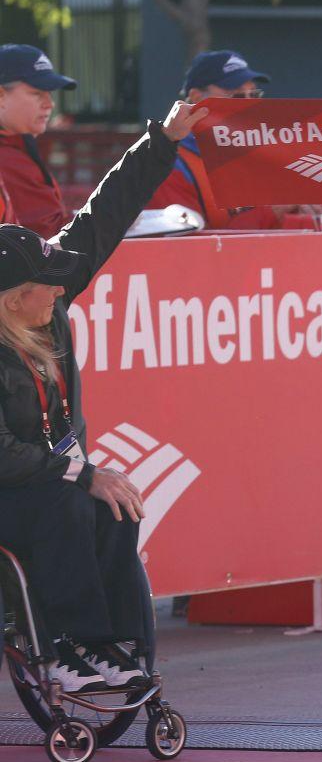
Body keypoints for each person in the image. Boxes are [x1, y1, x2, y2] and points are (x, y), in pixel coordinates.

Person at [0, 98, 207, 692]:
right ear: (15, 300)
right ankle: (71, 648)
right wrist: (77, 474)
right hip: (12, 487)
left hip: (48, 477)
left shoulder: (50, 306)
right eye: (50, 285)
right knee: (72, 500)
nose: (63, 288)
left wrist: (162, 141)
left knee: (114, 503)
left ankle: (117, 646)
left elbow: (104, 215)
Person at [145, 50, 322, 231]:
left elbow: (284, 230)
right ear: (197, 98)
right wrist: (275, 209)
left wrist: (308, 210)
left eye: (253, 95)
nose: (247, 104)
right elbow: (190, 249)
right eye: (237, 96)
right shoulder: (168, 165)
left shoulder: (260, 156)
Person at [0, 44, 75, 238]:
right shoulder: (7, 157)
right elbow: (48, 236)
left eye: (49, 93)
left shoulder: (16, 145)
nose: (50, 104)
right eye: (37, 93)